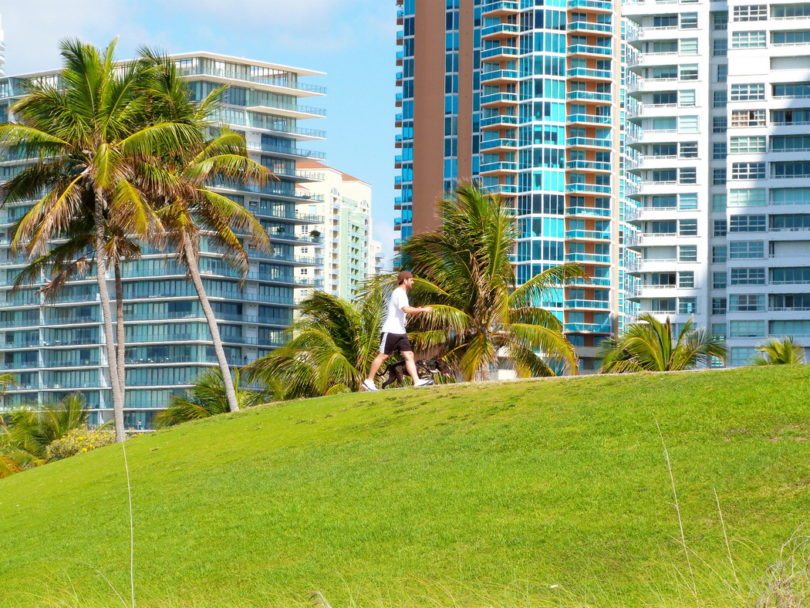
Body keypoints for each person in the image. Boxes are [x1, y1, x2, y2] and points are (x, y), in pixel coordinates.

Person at [363, 271, 433, 391]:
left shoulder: (402, 294)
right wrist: (423, 310)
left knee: (409, 355)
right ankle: (368, 381)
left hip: (400, 331)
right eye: (411, 279)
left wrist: (415, 311)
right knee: (383, 355)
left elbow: (403, 311)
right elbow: (405, 309)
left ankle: (416, 381)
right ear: (405, 280)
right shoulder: (399, 292)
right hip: (391, 331)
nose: (413, 281)